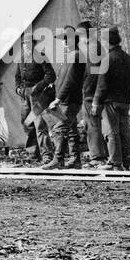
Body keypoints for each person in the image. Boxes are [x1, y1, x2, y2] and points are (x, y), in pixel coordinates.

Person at [41, 24, 85, 171]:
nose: (64, 42)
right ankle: (75, 159)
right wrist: (55, 85)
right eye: (63, 39)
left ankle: (58, 159)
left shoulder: (76, 56)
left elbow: (70, 81)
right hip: (69, 99)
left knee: (60, 129)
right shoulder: (71, 56)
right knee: (72, 129)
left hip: (69, 100)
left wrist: (58, 99)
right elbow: (64, 78)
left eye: (67, 40)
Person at [91, 26, 130, 169]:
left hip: (111, 101)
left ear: (107, 42)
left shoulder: (107, 59)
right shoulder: (128, 58)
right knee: (124, 131)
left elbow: (102, 84)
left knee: (111, 132)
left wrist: (96, 102)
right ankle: (127, 162)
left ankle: (115, 162)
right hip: (125, 101)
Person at [17, 42, 56, 163]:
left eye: (29, 44)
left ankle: (46, 155)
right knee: (27, 123)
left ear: (34, 45)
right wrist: (18, 87)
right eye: (24, 45)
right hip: (25, 96)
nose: (26, 47)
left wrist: (38, 87)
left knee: (40, 125)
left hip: (38, 96)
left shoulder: (41, 57)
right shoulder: (21, 59)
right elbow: (17, 76)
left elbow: (51, 75)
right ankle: (32, 153)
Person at [79, 22, 108, 165]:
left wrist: (87, 91)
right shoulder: (94, 47)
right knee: (92, 124)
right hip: (93, 91)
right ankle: (100, 154)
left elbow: (93, 74)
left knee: (92, 125)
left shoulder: (92, 48)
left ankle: (97, 157)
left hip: (91, 93)